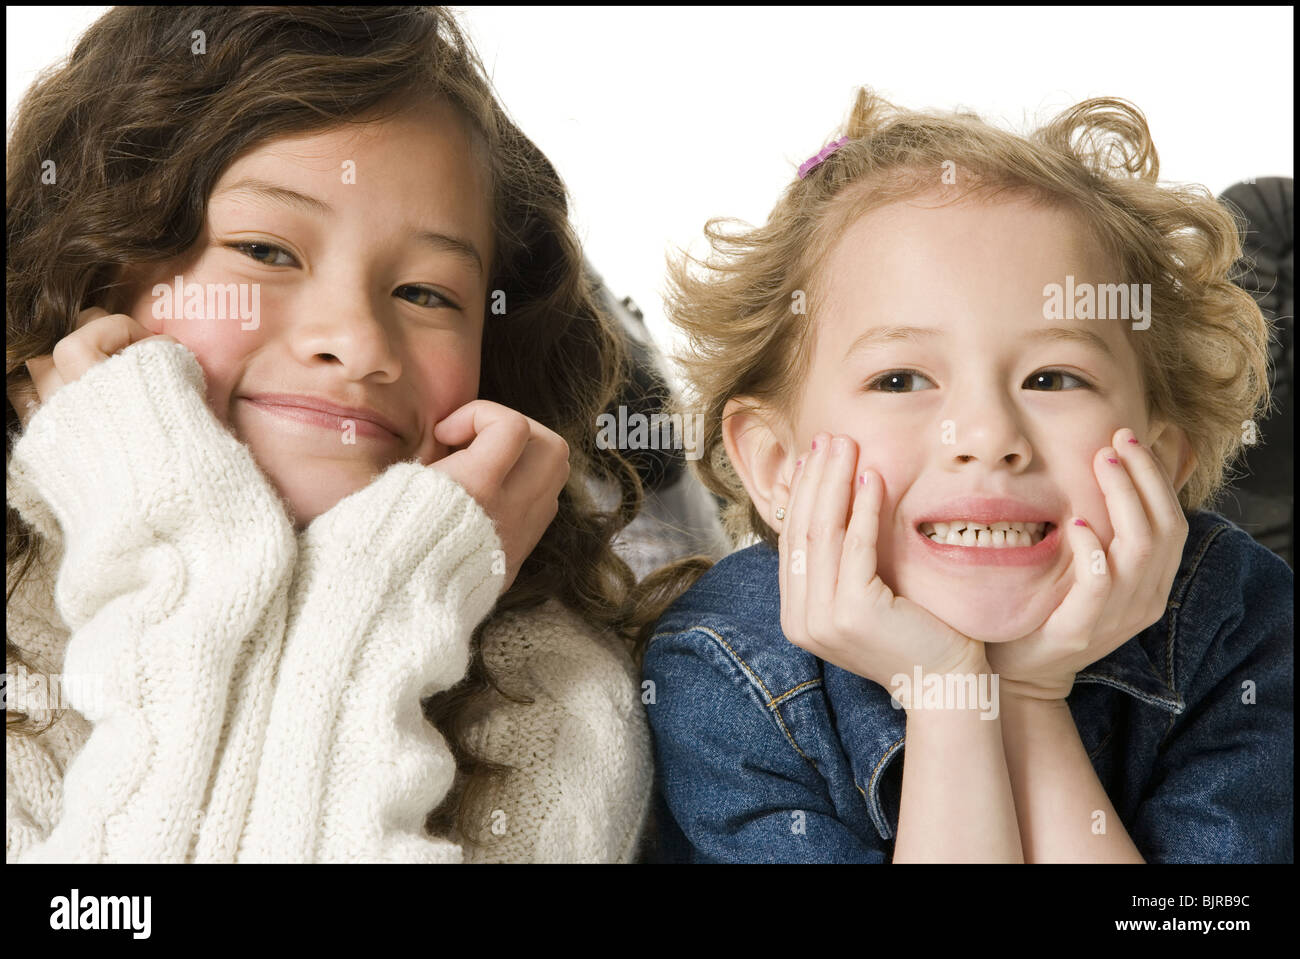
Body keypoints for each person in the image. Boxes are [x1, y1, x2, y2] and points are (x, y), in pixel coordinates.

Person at [6, 6, 652, 863]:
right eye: (266, 251)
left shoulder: (557, 700)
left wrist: (373, 611)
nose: (357, 342)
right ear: (95, 277)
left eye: (426, 293)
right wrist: (187, 554)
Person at [638, 88, 1293, 862]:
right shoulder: (723, 667)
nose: (985, 436)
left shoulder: (1234, 617)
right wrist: (949, 693)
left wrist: (1026, 698)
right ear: (779, 464)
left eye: (1053, 378)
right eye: (900, 379)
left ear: (1156, 456)